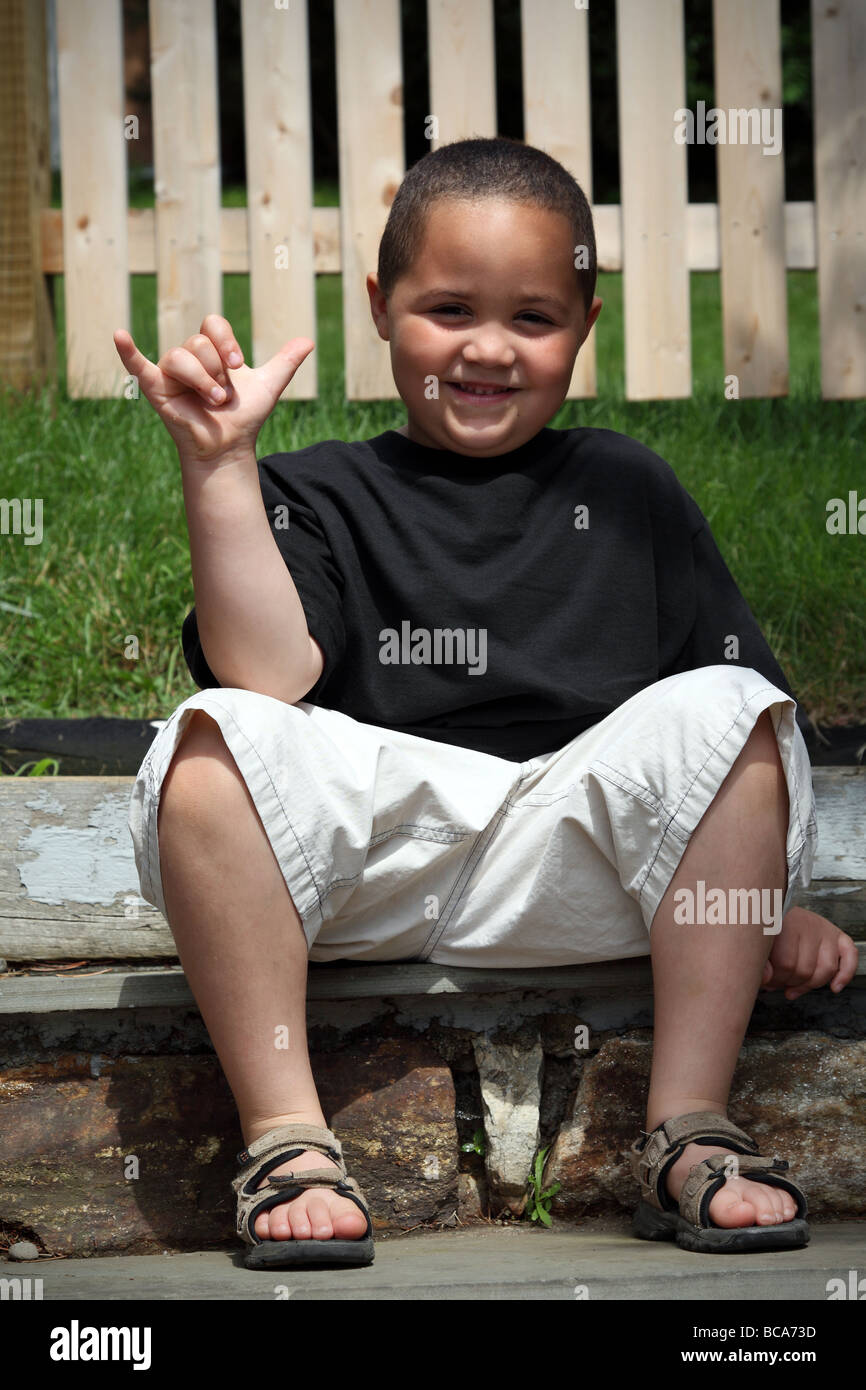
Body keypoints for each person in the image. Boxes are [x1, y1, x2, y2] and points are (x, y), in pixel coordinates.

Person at [115, 137, 857, 1269]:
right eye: (448, 308)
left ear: (585, 322)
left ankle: (689, 1129)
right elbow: (267, 676)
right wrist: (220, 469)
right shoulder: (314, 490)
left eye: (532, 318)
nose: (487, 349)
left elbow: (728, 737)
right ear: (378, 306)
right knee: (217, 735)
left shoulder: (623, 488)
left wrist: (764, 902)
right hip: (369, 868)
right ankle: (286, 1138)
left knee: (727, 699)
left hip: (583, 866)